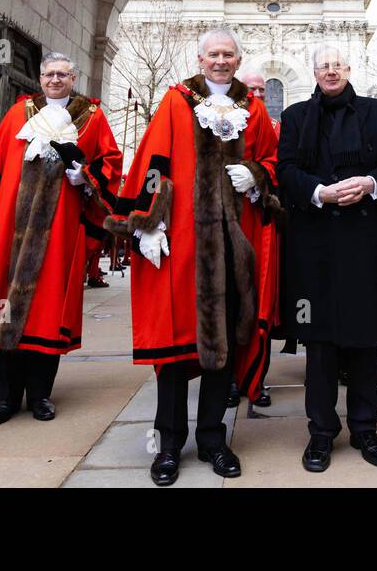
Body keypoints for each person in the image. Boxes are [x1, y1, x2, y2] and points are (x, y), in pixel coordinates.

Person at [106, 30, 280, 485]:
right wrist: (148, 221)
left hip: (233, 241)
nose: (221, 61)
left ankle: (212, 439)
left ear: (237, 59)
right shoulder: (176, 101)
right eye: (214, 55)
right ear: (201, 59)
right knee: (174, 346)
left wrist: (257, 174)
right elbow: (153, 163)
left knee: (221, 346)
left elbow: (273, 158)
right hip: (183, 239)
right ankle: (168, 445)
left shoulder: (254, 108)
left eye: (229, 55)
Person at [0, 52, 122, 425]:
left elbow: (110, 163)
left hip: (59, 233)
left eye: (63, 74)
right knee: (6, 311)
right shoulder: (19, 113)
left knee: (47, 313)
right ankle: (6, 399)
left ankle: (41, 396)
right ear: (40, 78)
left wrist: (86, 177)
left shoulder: (92, 118)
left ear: (73, 78)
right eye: (49, 74)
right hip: (13, 228)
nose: (55, 80)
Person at [277, 46, 377, 472]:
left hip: (364, 242)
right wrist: (320, 192)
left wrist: (370, 182)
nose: (331, 71)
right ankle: (320, 433)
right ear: (315, 74)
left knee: (362, 339)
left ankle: (366, 430)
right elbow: (286, 171)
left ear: (349, 71)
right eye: (324, 67)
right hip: (315, 245)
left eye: (338, 65)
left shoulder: (376, 112)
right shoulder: (297, 117)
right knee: (319, 344)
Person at [230, 71, 279, 409]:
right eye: (253, 89)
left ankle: (255, 378)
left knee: (259, 301)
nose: (258, 94)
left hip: (259, 222)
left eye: (264, 89)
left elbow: (280, 167)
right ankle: (227, 378)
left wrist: (258, 176)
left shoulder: (275, 126)